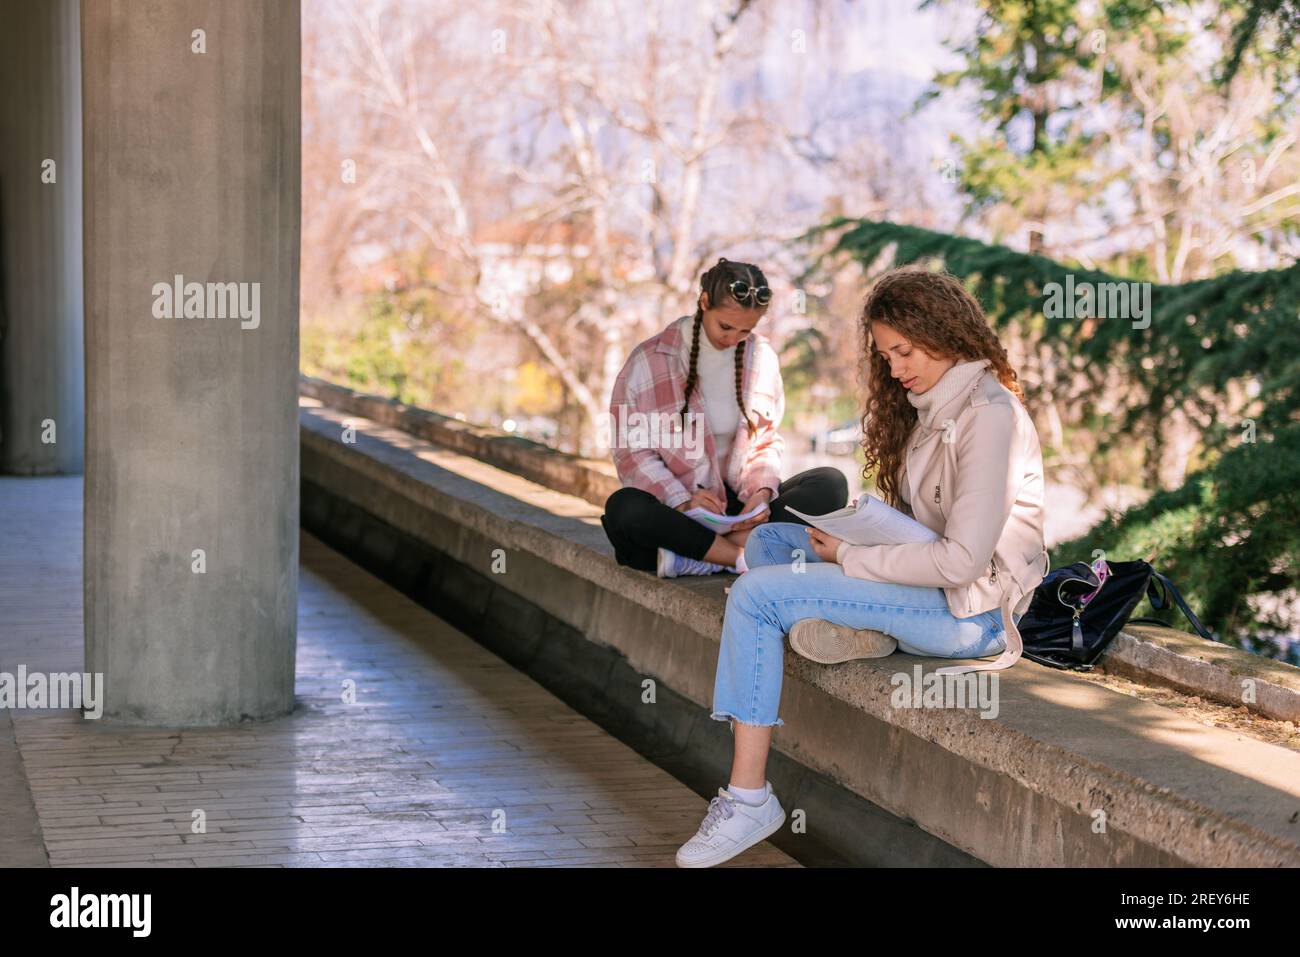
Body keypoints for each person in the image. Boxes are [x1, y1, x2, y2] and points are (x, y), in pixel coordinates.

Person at [675, 266, 1049, 868]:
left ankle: (748, 800)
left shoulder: (989, 414)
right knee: (772, 546)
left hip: (972, 615)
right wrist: (857, 531)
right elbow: (924, 531)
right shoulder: (929, 405)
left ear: (946, 333)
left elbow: (960, 562)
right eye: (886, 354)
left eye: (905, 350)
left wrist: (851, 554)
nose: (896, 367)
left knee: (757, 598)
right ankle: (868, 633)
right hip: (925, 587)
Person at [600, 257, 848, 578]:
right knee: (624, 509)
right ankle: (741, 556)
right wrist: (685, 503)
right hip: (678, 509)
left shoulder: (762, 359)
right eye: (726, 327)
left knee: (830, 483)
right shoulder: (647, 361)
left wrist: (759, 496)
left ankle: (700, 555)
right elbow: (630, 453)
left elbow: (765, 441)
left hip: (736, 508)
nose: (733, 339)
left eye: (746, 330)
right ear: (704, 302)